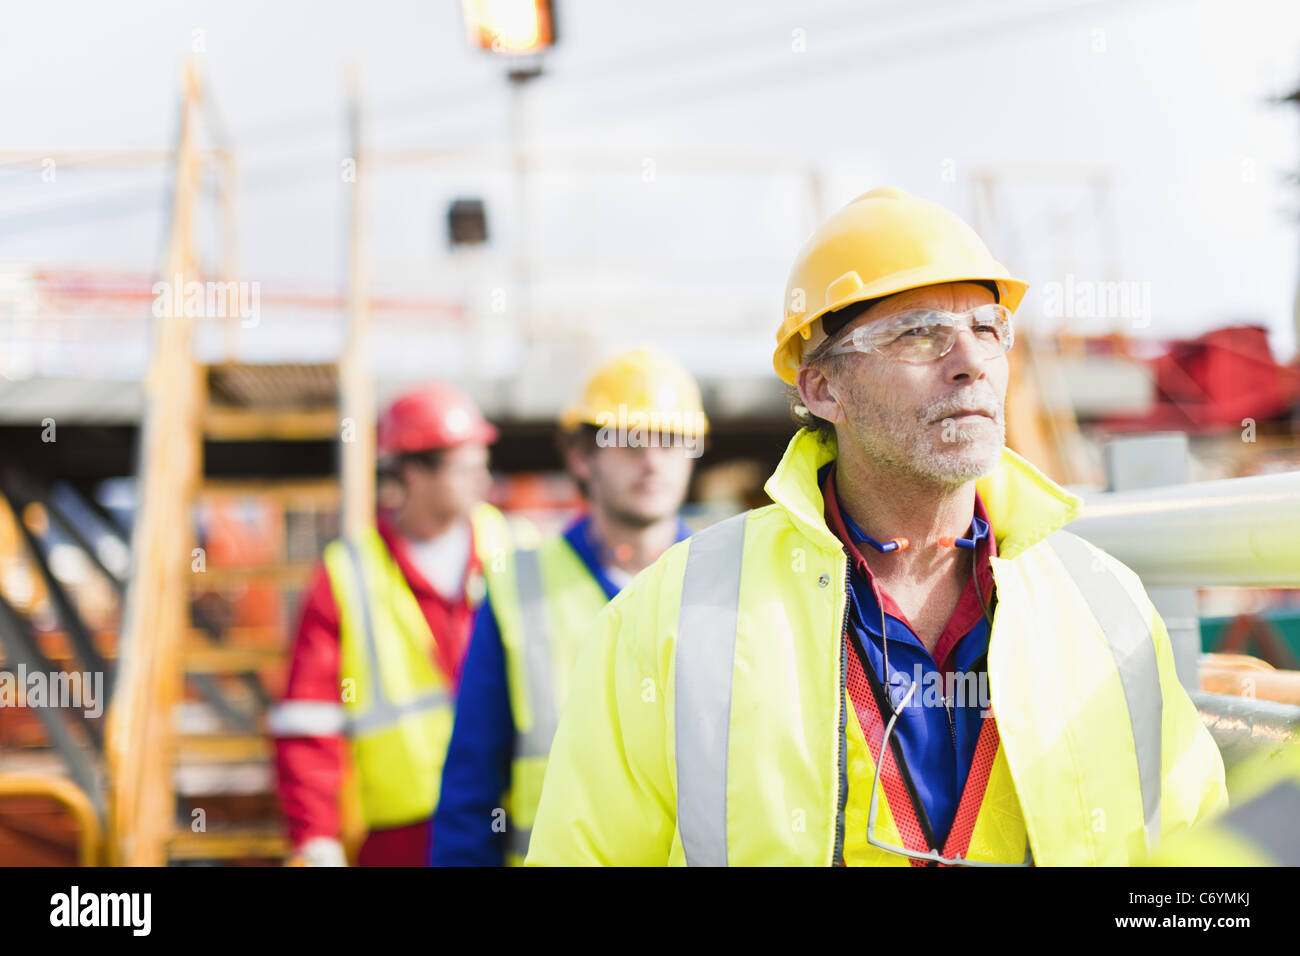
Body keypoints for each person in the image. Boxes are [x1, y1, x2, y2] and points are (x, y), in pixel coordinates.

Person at [525, 186, 1228, 866]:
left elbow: (1198, 853)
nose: (971, 364)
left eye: (988, 329)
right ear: (823, 388)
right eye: (919, 334)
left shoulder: (1104, 605)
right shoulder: (673, 617)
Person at [431, 347, 708, 865]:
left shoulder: (727, 587)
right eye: (630, 441)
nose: (652, 461)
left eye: (671, 441)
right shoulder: (517, 590)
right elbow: (471, 793)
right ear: (582, 457)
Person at [270, 383, 517, 866]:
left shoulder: (515, 549)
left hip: (504, 820)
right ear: (412, 471)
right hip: (402, 841)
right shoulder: (347, 575)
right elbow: (308, 721)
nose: (482, 479)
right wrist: (317, 839)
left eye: (482, 462)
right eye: (465, 467)